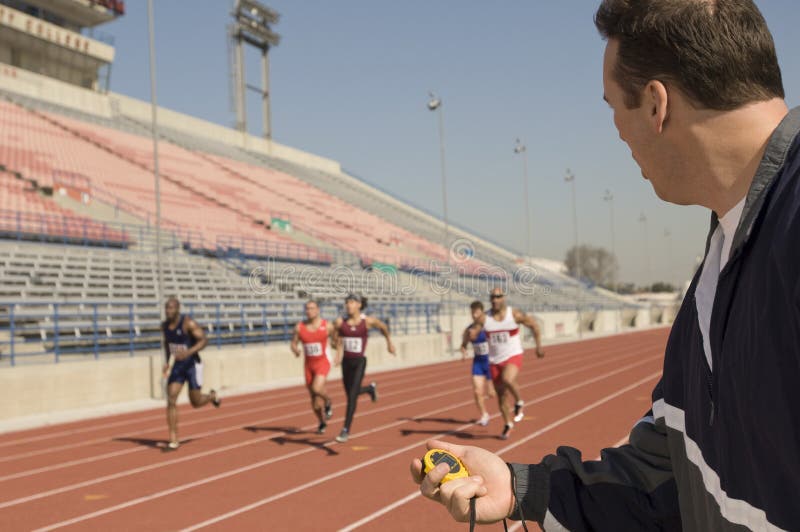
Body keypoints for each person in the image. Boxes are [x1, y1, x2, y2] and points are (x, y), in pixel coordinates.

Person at [411, 1, 800, 529]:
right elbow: (668, 475)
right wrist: (525, 488)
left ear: (657, 105)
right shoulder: (718, 266)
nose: (616, 132)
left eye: (612, 106)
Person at [333, 293, 396, 443]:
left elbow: (383, 327)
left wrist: (389, 342)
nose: (349, 305)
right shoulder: (340, 322)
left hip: (359, 362)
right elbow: (337, 338)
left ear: (359, 305)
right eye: (347, 302)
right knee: (350, 394)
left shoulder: (367, 321)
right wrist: (337, 351)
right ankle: (370, 389)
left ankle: (345, 430)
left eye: (352, 302)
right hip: (346, 363)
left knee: (352, 398)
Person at [484, 287, 544, 439]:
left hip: (513, 354)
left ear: (503, 298)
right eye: (492, 297)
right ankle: (508, 424)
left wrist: (538, 346)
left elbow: (534, 326)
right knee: (502, 397)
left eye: (498, 297)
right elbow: (472, 330)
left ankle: (519, 401)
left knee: (508, 379)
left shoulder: (515, 314)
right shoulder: (486, 318)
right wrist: (465, 343)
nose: (495, 300)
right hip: (494, 361)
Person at [162, 297, 220, 450]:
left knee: (195, 402)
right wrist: (167, 362)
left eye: (171, 308)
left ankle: (212, 396)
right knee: (171, 398)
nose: (168, 311)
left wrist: (188, 352)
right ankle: (173, 439)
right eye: (166, 308)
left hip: (193, 364)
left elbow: (204, 341)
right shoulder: (164, 326)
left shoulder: (188, 323)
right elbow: (167, 344)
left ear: (178, 309)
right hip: (178, 366)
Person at [291, 300, 335, 434]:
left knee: (317, 388)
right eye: (307, 309)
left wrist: (338, 350)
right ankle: (321, 422)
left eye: (311, 308)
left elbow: (338, 339)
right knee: (314, 399)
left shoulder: (327, 326)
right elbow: (293, 343)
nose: (308, 311)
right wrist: (296, 350)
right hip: (308, 365)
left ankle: (328, 401)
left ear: (317, 310)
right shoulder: (299, 327)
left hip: (323, 362)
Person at [460, 301, 495, 427]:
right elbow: (464, 343)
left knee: (496, 393)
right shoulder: (469, 329)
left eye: (476, 312)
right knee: (477, 391)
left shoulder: (488, 327)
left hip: (491, 362)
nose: (474, 315)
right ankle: (484, 414)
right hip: (478, 363)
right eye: (472, 312)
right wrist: (463, 350)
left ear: (482, 312)